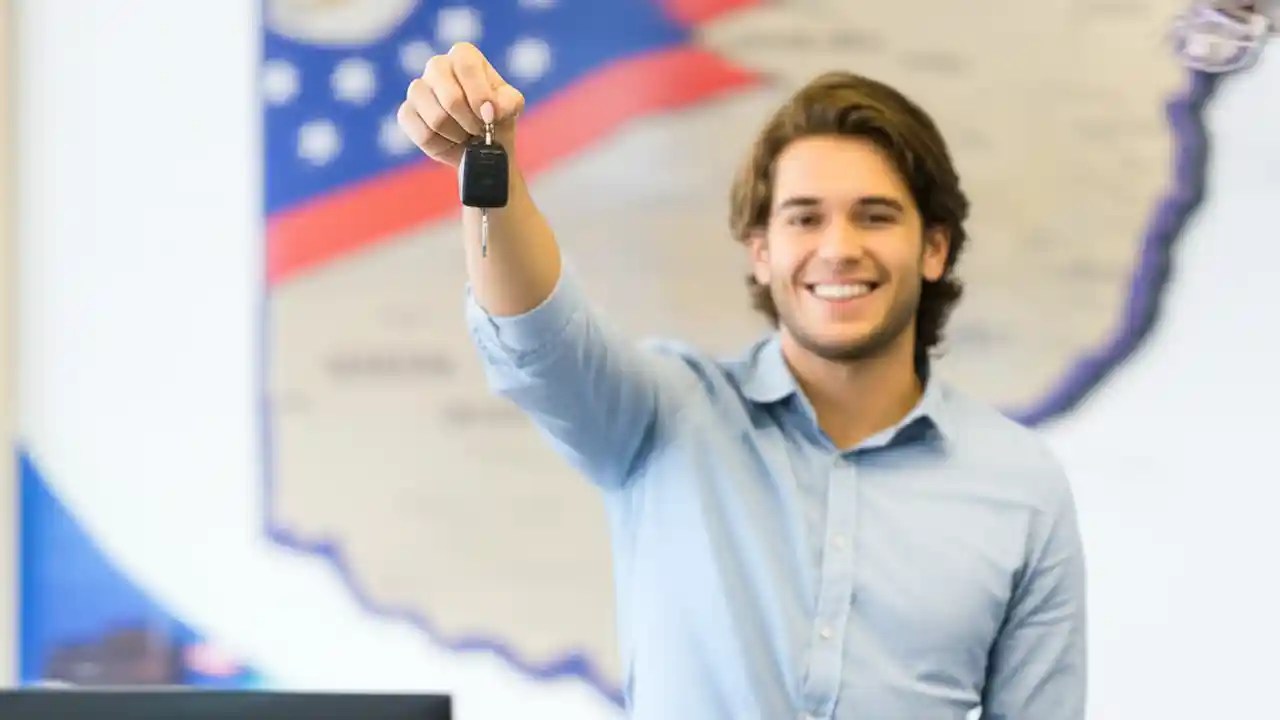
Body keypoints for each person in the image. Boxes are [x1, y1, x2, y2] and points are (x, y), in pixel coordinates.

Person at [398, 41, 1087, 720]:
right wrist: (489, 165)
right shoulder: (661, 417)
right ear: (761, 252)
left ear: (933, 248)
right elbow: (539, 334)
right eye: (804, 217)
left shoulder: (1020, 486)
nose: (839, 247)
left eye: (875, 216)